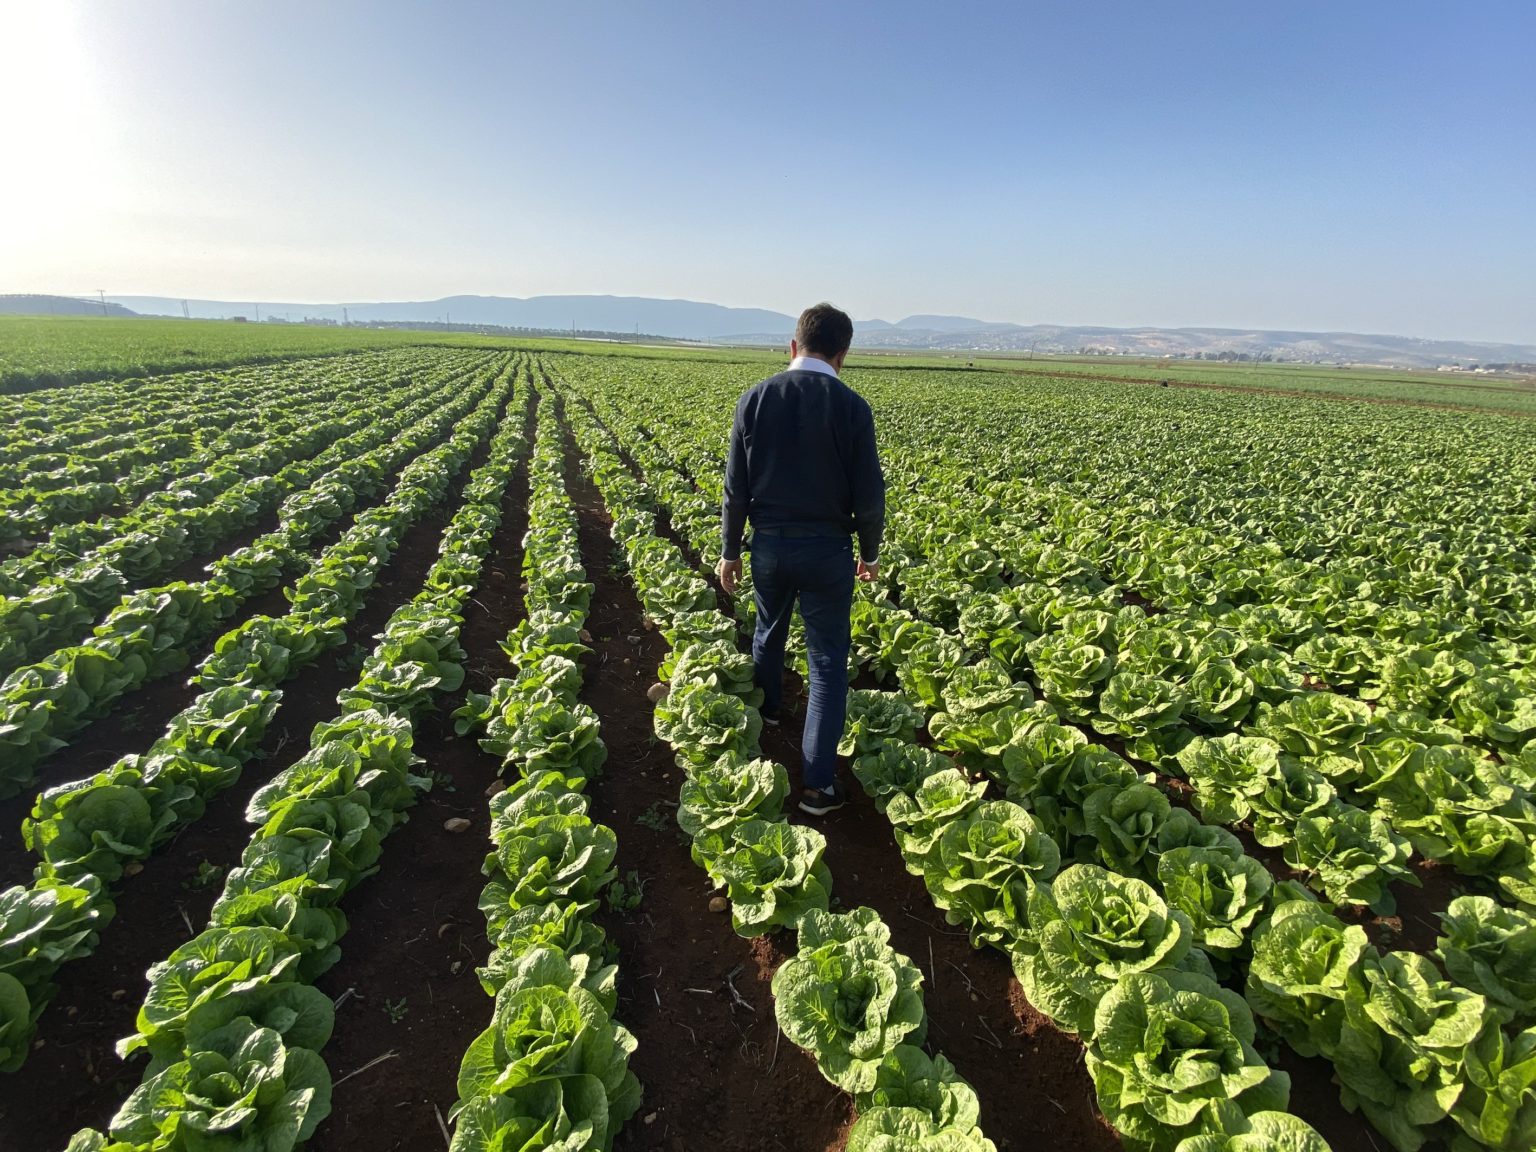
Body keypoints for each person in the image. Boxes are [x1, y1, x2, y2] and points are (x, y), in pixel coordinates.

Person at [716, 303, 885, 816]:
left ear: (793, 346)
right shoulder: (852, 407)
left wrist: (729, 552)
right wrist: (870, 553)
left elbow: (735, 490)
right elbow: (870, 496)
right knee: (827, 661)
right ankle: (818, 787)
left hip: (769, 545)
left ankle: (768, 712)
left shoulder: (754, 399)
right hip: (827, 551)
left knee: (769, 629)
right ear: (843, 355)